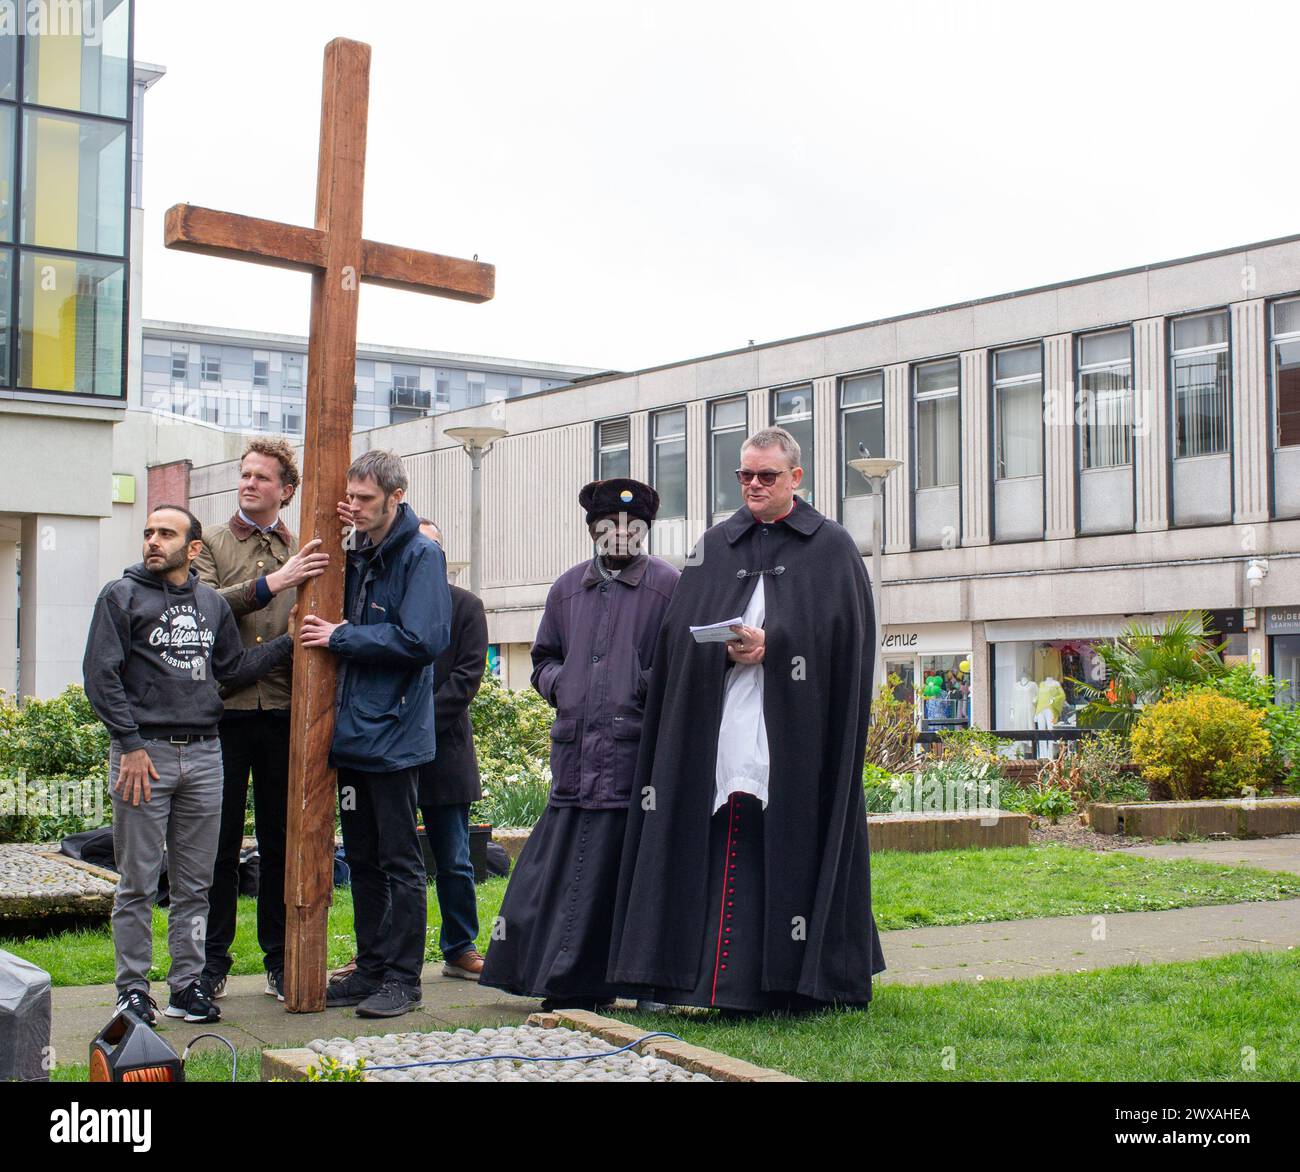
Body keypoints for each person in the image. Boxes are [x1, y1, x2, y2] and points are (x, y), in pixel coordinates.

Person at [607, 427, 887, 1012]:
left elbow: (847, 645)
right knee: (714, 834)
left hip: (794, 732)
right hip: (722, 723)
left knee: (781, 842)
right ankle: (704, 981)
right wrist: (719, 647)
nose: (754, 486)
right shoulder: (716, 545)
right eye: (745, 476)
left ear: (796, 479)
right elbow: (675, 643)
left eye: (767, 476)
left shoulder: (831, 547)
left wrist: (776, 645)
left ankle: (786, 983)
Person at [83, 505, 295, 1026]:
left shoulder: (210, 605)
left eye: (166, 533)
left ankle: (186, 986)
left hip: (205, 754)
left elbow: (229, 669)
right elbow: (100, 676)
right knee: (136, 881)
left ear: (192, 548)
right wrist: (128, 743)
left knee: (194, 884)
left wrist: (289, 642)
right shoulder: (120, 596)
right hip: (143, 756)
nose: (153, 540)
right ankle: (132, 991)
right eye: (149, 532)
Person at [480, 478, 679, 1010]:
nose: (618, 534)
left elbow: (679, 666)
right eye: (607, 524)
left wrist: (639, 686)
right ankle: (565, 980)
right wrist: (562, 685)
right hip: (574, 757)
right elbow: (543, 658)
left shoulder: (669, 586)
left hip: (634, 758)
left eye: (630, 526)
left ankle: (638, 982)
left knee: (627, 872)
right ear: (593, 529)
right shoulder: (568, 588)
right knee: (562, 875)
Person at [298, 450, 451, 1019]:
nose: (355, 507)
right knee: (360, 858)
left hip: (393, 739)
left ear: (397, 496)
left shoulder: (421, 555)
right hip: (353, 736)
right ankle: (370, 967)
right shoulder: (359, 551)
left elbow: (422, 639)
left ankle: (403, 980)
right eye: (351, 497)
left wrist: (341, 638)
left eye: (365, 499)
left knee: (399, 859)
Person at [192, 438, 330, 1003]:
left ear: (286, 490)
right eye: (245, 475)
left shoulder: (305, 549)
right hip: (222, 715)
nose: (249, 483)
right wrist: (274, 583)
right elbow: (198, 610)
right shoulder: (209, 544)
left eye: (262, 477)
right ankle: (211, 964)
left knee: (281, 844)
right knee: (218, 848)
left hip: (284, 715)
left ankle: (279, 960)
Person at [416, 520, 490, 980]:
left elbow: (467, 678)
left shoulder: (467, 607)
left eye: (433, 546)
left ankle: (459, 946)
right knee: (386, 861)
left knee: (455, 859)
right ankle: (381, 951)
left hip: (445, 750)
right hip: (388, 755)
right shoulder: (389, 603)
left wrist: (414, 724)